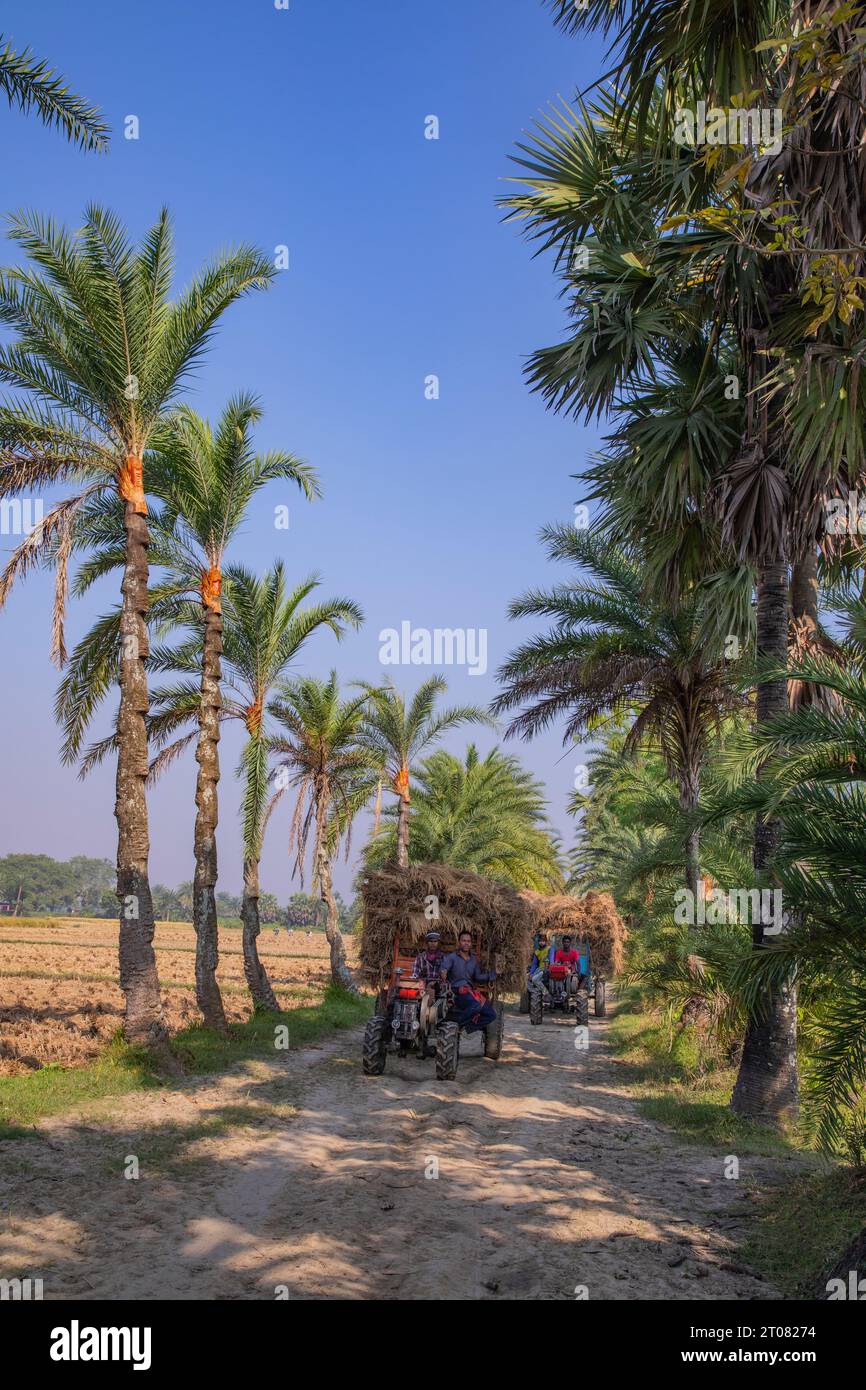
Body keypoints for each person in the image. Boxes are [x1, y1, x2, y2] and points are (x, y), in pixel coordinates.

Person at [440, 930, 496, 1033]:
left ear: (471, 943)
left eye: (468, 941)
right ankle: (457, 1025)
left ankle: (467, 1028)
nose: (466, 943)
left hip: (470, 992)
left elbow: (478, 977)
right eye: (464, 941)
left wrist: (492, 975)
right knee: (476, 1005)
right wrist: (443, 972)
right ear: (459, 942)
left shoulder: (473, 960)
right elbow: (444, 969)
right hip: (457, 992)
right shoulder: (452, 957)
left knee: (491, 1014)